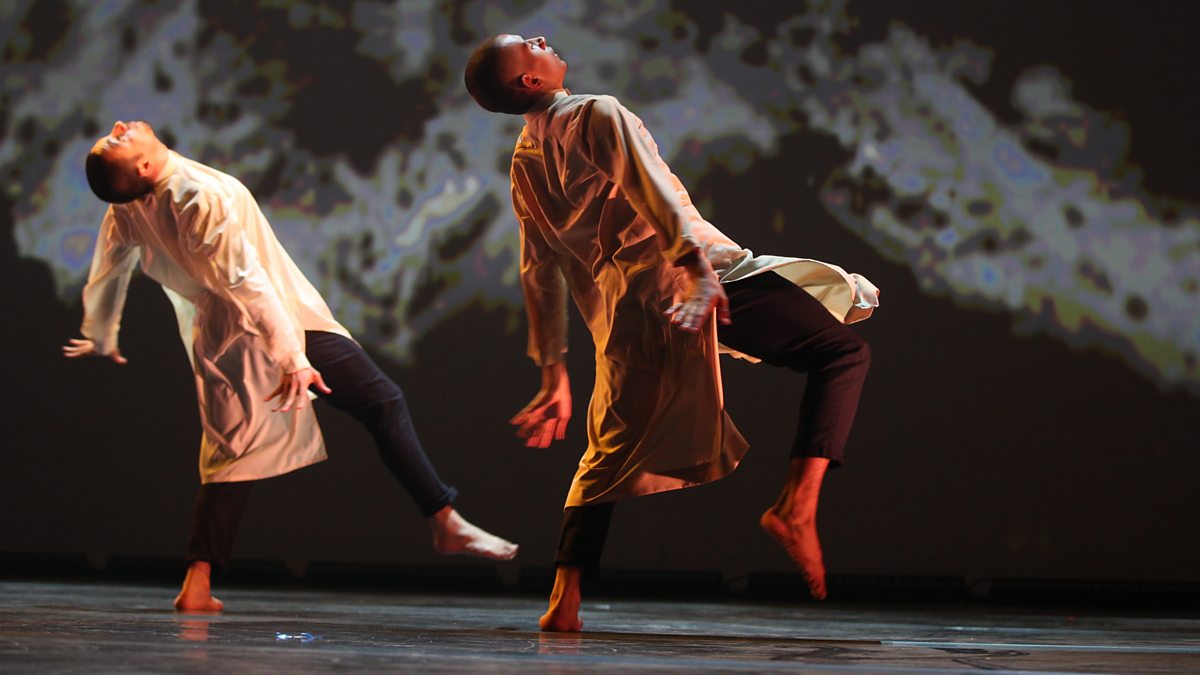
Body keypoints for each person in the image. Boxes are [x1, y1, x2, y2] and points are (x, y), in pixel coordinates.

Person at [464, 35, 880, 631]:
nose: (542, 41)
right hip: (689, 278)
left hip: (630, 311)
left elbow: (539, 267)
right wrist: (694, 269)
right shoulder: (594, 112)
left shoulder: (526, 159)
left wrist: (553, 371)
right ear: (529, 80)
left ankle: (564, 600)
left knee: (608, 450)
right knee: (842, 353)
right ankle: (798, 505)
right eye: (529, 45)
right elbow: (647, 187)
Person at [66, 120, 518, 612]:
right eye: (117, 139)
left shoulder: (129, 205)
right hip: (270, 323)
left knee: (232, 459)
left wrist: (100, 332)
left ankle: (197, 583)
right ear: (144, 167)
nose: (120, 127)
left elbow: (109, 266)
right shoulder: (197, 197)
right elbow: (247, 283)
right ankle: (444, 520)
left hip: (222, 336)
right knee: (381, 402)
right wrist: (293, 357)